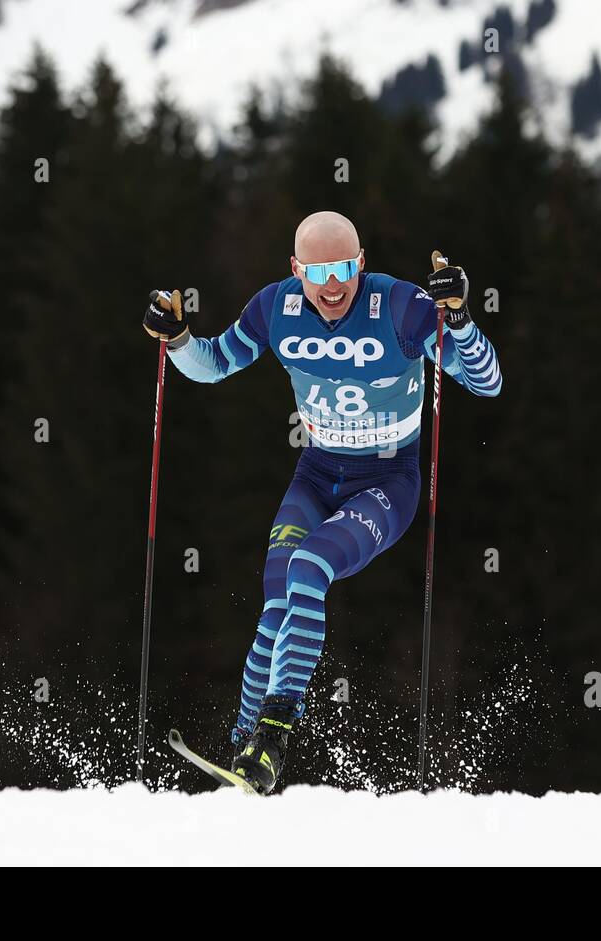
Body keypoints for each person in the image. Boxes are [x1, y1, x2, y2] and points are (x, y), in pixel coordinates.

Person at [142, 210, 501, 793]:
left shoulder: (402, 307)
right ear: (295, 269)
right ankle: (242, 752)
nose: (332, 285)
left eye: (344, 268)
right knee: (277, 600)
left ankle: (276, 735)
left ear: (361, 263)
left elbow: (487, 381)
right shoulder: (274, 308)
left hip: (388, 481)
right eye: (317, 270)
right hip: (315, 474)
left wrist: (457, 319)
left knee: (310, 569)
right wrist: (177, 337)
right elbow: (215, 365)